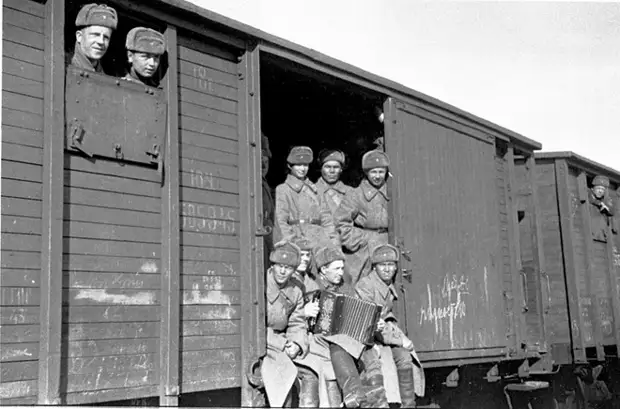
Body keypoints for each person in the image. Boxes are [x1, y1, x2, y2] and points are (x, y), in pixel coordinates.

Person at [296, 246, 388, 408]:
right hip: (320, 336)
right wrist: (307, 313)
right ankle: (356, 395)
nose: (340, 272)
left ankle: (376, 398)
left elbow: (360, 314)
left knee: (366, 347)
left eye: (342, 268)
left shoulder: (346, 288)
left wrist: (374, 324)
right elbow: (300, 318)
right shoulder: (313, 287)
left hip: (344, 336)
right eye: (336, 268)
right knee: (341, 344)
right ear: (323, 269)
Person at [355, 244, 424, 408]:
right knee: (375, 365)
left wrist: (399, 340)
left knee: (405, 357)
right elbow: (369, 322)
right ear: (374, 267)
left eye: (391, 265)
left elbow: (385, 318)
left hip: (380, 334)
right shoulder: (366, 285)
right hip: (366, 337)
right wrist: (400, 340)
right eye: (382, 265)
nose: (387, 269)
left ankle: (408, 405)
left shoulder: (386, 286)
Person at [261, 241, 309, 407]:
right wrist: (283, 343)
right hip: (264, 341)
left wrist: (296, 344)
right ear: (272, 265)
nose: (282, 271)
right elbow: (255, 326)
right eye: (279, 266)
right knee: (282, 375)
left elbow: (297, 322)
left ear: (294, 270)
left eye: (288, 268)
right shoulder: (260, 284)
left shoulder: (295, 291)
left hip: (284, 342)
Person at [334, 150, 390, 284]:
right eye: (373, 172)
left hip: (388, 244)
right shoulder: (356, 194)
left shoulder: (392, 192)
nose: (377, 176)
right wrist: (361, 239)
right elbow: (341, 222)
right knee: (362, 286)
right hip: (363, 251)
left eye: (381, 172)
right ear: (366, 173)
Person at [274, 146, 339, 249]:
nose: (303, 169)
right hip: (298, 239)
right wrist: (290, 244)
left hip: (320, 240)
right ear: (290, 166)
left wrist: (334, 243)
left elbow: (327, 219)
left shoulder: (315, 190)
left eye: (305, 165)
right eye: (298, 165)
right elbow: (281, 221)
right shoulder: (283, 189)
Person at [71, 3, 118, 73]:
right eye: (95, 35)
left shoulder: (106, 73)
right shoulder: (66, 67)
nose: (101, 41)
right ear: (79, 36)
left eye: (106, 37)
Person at [316, 149, 354, 217]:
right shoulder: (311, 191)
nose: (332, 171)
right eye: (327, 167)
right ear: (321, 168)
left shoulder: (351, 192)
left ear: (341, 169)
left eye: (336, 167)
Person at [262, 133, 276, 271]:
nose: (263, 165)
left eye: (266, 162)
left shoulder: (265, 184)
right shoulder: (255, 183)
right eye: (260, 161)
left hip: (268, 237)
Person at [589, 175, 616, 241]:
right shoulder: (589, 196)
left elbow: (612, 211)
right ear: (592, 189)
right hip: (591, 234)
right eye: (598, 188)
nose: (600, 191)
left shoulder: (605, 200)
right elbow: (590, 199)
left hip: (602, 236)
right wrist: (599, 203)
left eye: (602, 189)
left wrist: (606, 208)